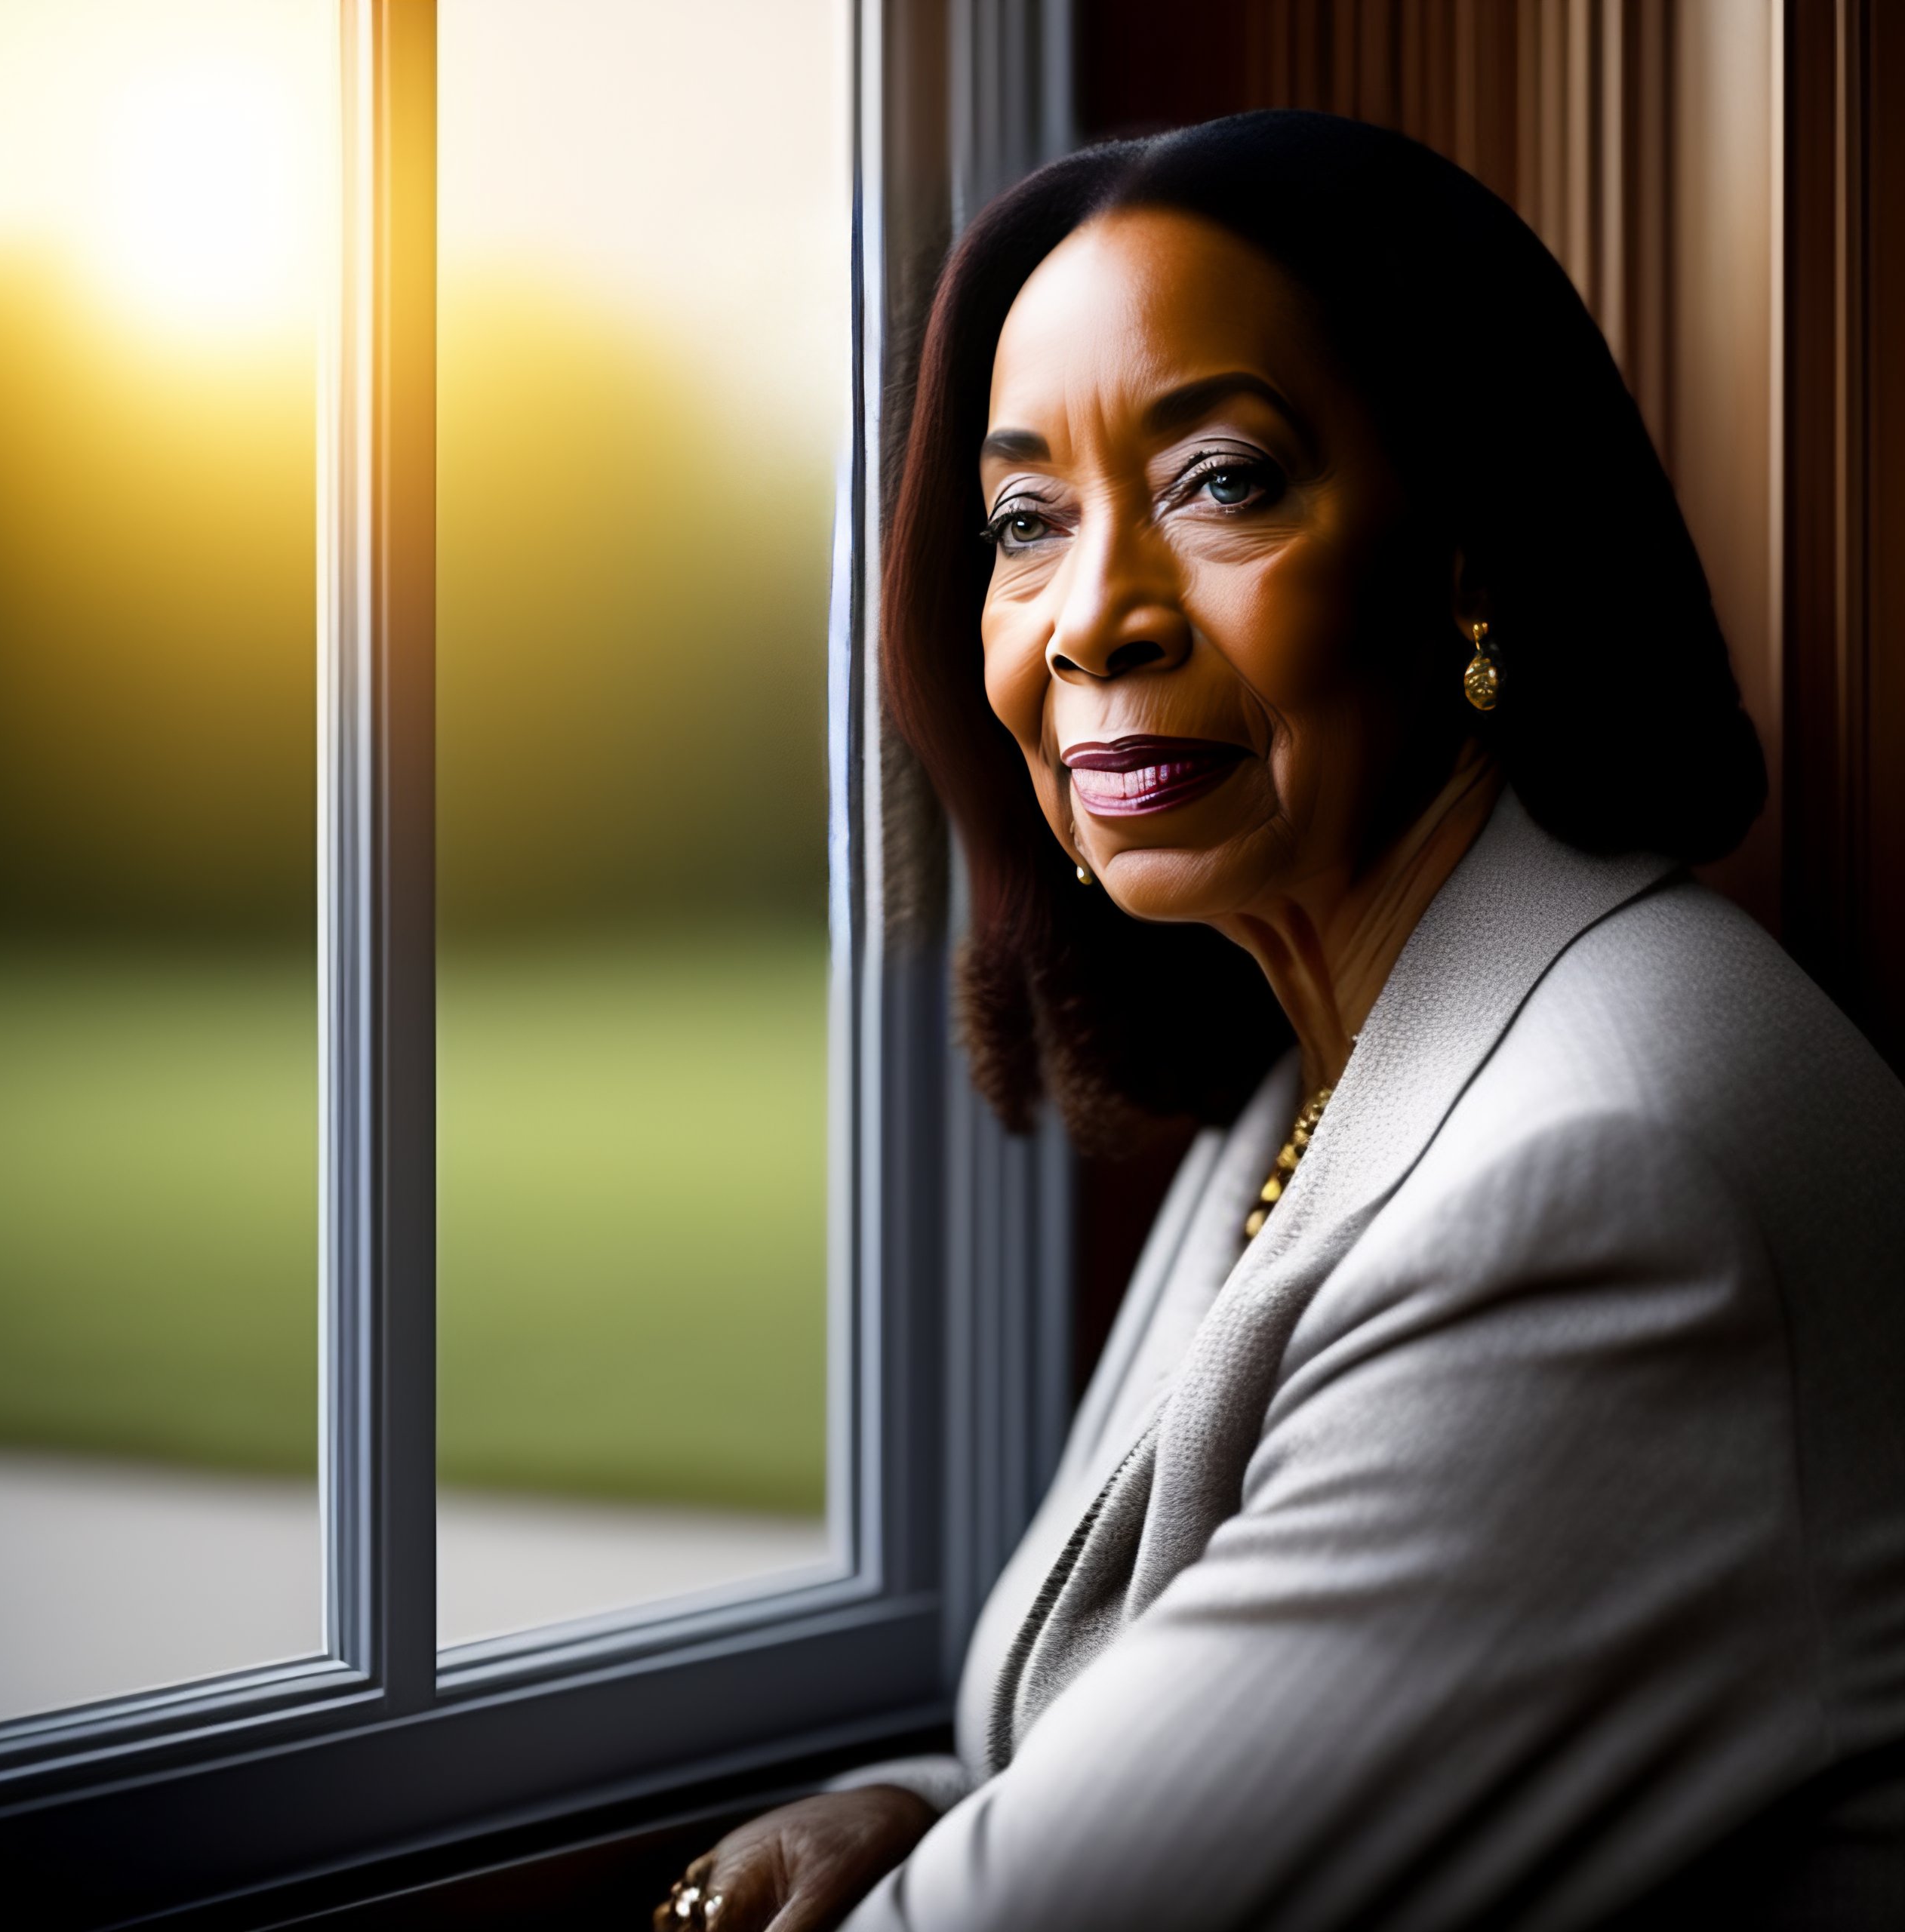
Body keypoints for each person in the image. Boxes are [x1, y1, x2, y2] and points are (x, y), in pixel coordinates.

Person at [657, 110, 1905, 1930]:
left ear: (1465, 548)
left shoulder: (1602, 1187)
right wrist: (913, 1804)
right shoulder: (1319, 1062)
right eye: (1024, 520)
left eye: (1221, 478)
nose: (1091, 619)